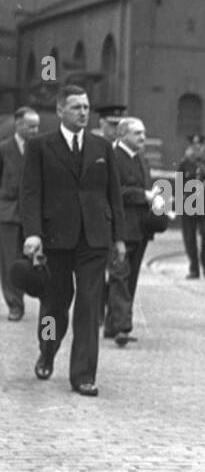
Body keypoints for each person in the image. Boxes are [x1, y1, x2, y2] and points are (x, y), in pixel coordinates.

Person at [20, 84, 126, 396]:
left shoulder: (102, 147)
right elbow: (30, 194)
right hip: (55, 238)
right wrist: (33, 234)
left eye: (86, 107)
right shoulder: (41, 147)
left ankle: (83, 375)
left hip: (94, 239)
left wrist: (119, 237)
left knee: (89, 306)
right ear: (60, 111)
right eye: (77, 107)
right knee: (54, 305)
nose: (84, 112)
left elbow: (114, 195)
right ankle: (48, 349)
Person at [103, 117, 161, 347]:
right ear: (122, 134)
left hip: (140, 228)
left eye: (144, 133)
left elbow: (147, 187)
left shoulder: (141, 159)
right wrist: (143, 196)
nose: (143, 137)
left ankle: (111, 324)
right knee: (120, 275)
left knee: (130, 277)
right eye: (137, 133)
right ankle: (122, 327)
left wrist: (156, 201)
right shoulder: (113, 157)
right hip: (119, 227)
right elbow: (114, 191)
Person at [1, 107, 40, 321]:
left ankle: (34, 293)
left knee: (33, 259)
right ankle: (14, 304)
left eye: (37, 126)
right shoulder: (4, 149)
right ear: (18, 124)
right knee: (9, 260)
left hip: (33, 213)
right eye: (30, 126)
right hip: (8, 214)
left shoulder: (41, 149)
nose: (35, 130)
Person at [176, 134, 205, 279]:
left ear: (203, 147)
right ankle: (194, 268)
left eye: (199, 147)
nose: (197, 149)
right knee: (189, 239)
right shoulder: (184, 164)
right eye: (194, 147)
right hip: (188, 206)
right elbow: (179, 184)